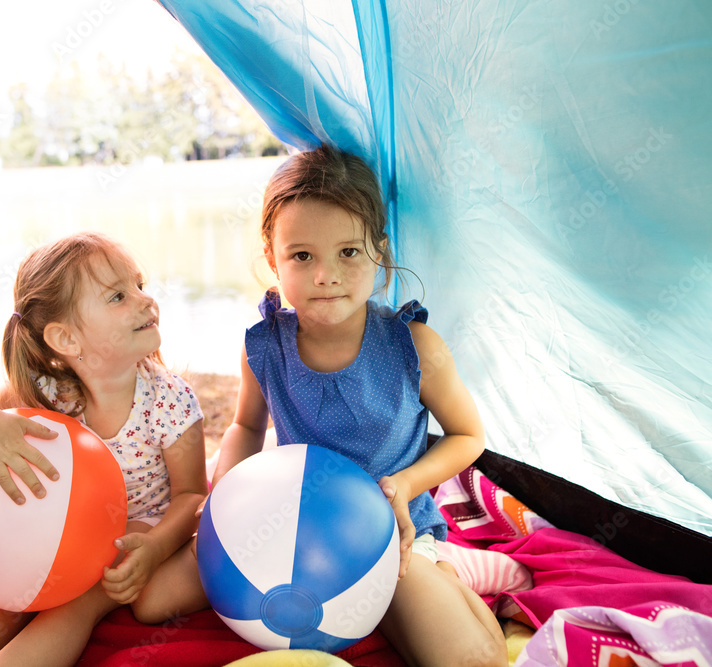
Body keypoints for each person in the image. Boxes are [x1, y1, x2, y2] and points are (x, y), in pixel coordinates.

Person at [208, 145, 509, 666]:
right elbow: (243, 426)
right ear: (272, 259)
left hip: (392, 531)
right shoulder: (264, 346)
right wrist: (219, 506)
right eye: (302, 256)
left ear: (379, 251)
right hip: (288, 531)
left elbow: (468, 436)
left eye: (348, 252)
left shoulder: (414, 346)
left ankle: (446, 572)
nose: (326, 275)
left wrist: (403, 486)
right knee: (158, 604)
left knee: (472, 659)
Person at [0, 232, 209, 667]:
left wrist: (158, 548)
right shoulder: (50, 393)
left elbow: (191, 497)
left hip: (140, 531)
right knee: (8, 601)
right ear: (66, 340)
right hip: (59, 534)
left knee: (75, 603)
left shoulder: (170, 402)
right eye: (118, 296)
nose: (146, 301)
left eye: (140, 285)